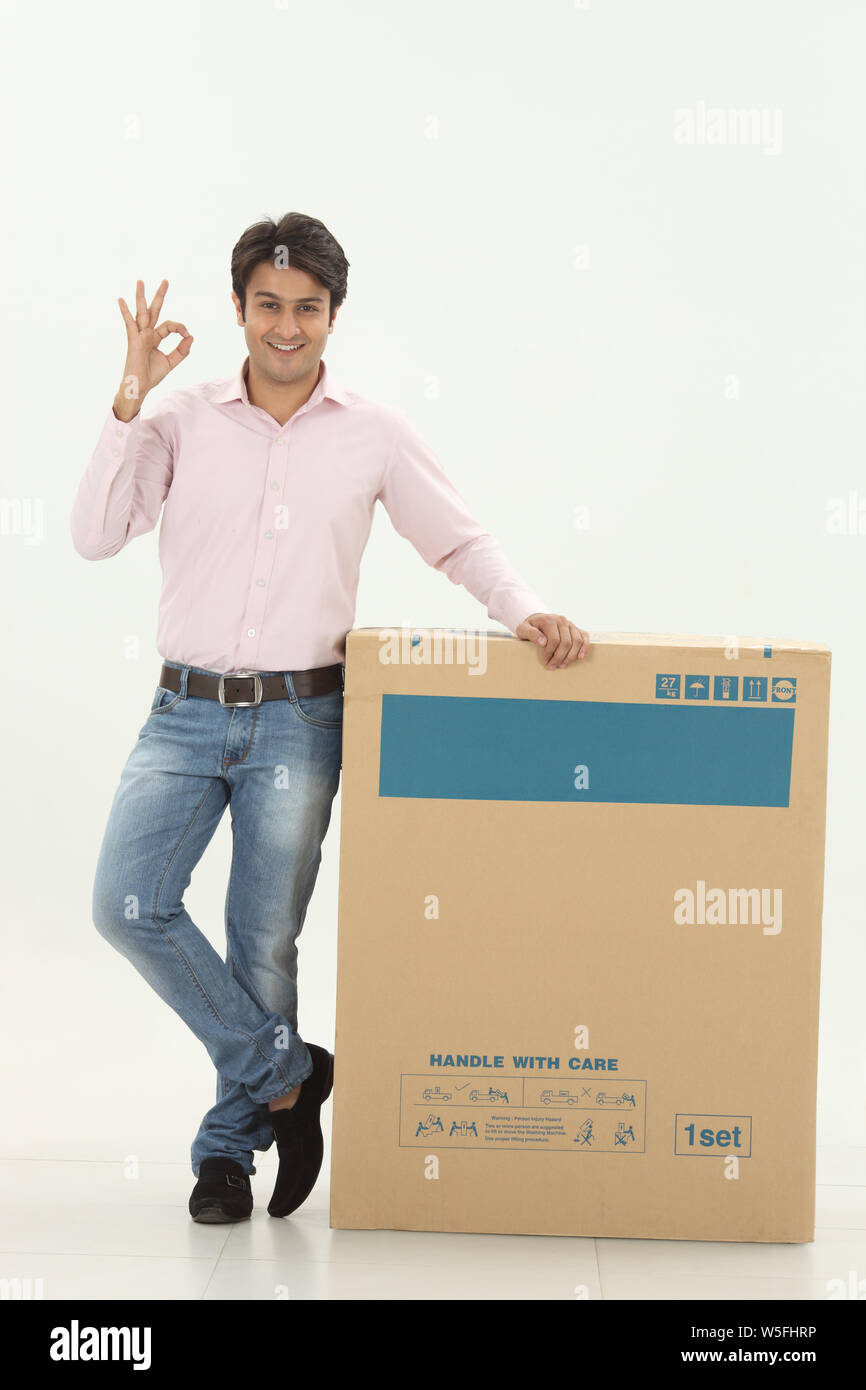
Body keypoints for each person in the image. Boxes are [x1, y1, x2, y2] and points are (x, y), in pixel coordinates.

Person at [70, 212, 590, 1224]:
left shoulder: (374, 433)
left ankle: (226, 1157)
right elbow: (96, 533)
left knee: (261, 941)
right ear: (238, 308)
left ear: (331, 315)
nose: (285, 325)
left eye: (306, 307)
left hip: (300, 720)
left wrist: (525, 610)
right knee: (125, 904)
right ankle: (287, 1072)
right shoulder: (176, 416)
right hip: (182, 713)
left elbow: (457, 539)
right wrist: (128, 393)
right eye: (267, 304)